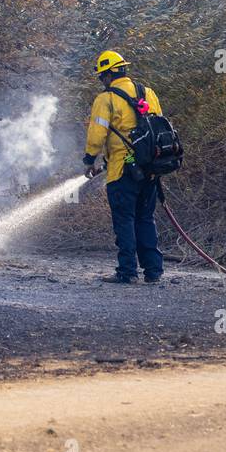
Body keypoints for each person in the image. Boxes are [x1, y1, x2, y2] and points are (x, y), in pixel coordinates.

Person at [83, 50, 164, 284]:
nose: (102, 81)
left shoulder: (105, 99)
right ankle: (153, 271)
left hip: (121, 170)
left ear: (109, 75)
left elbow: (97, 134)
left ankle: (127, 272)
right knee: (145, 218)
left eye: (101, 76)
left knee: (125, 219)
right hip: (149, 169)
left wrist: (89, 160)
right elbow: (158, 127)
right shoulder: (148, 93)